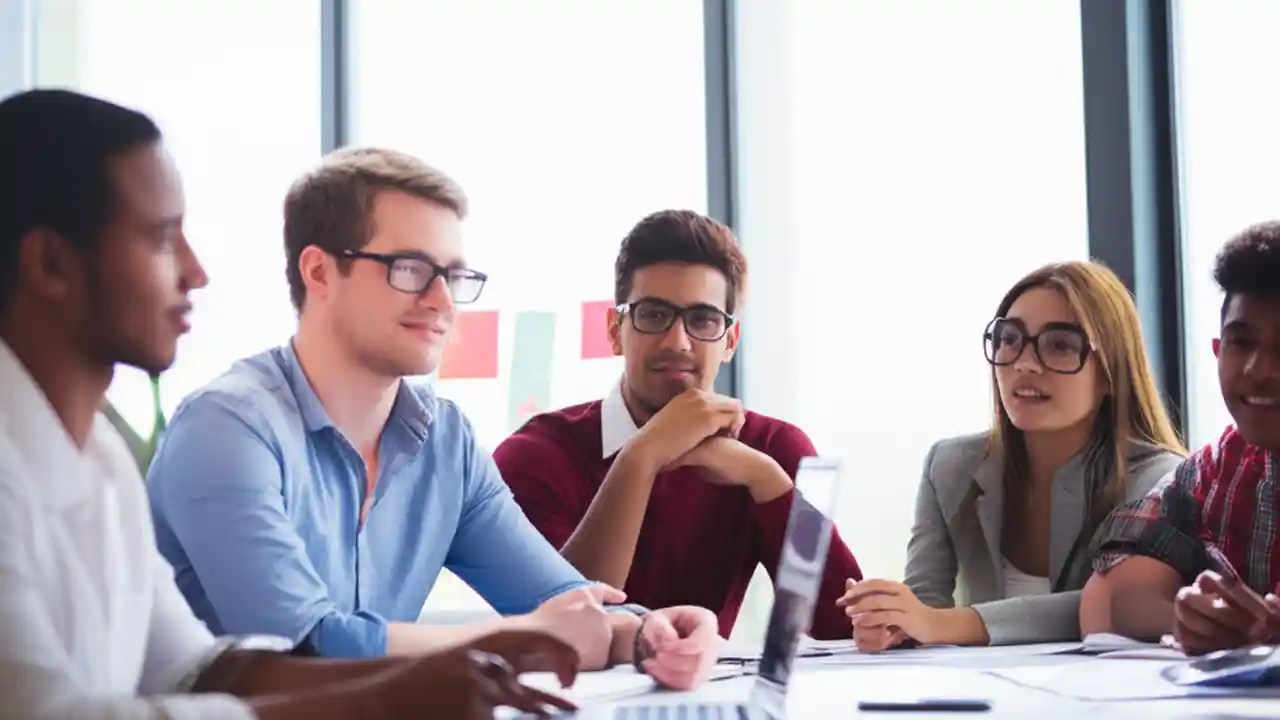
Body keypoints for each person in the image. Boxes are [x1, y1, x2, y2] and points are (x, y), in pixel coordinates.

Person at [0, 88, 580, 720]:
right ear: (50, 263)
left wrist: (634, 629)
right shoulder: (222, 424)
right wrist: (386, 698)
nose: (196, 273)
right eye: (164, 239)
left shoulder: (100, 459)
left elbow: (192, 667)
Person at [146, 147, 721, 689]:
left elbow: (563, 602)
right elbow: (301, 649)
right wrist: (525, 636)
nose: (443, 301)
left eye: (454, 276)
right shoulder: (226, 428)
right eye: (411, 269)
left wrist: (653, 634)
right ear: (319, 272)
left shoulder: (445, 442)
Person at [492, 210, 863, 639]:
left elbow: (848, 627)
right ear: (616, 331)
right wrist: (642, 456)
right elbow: (565, 631)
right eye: (653, 315)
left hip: (706, 696)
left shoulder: (771, 446)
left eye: (703, 320)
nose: (678, 342)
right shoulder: (536, 454)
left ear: (730, 342)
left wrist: (768, 480)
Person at [840, 261, 1186, 650]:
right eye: (1010, 338)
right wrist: (892, 622)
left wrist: (943, 623)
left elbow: (1111, 607)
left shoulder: (1157, 477)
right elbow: (927, 605)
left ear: (1109, 372)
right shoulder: (950, 466)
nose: (1023, 362)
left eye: (1059, 345)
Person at [1080, 222, 1280, 654]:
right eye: (1241, 343)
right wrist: (1196, 619)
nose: (1259, 371)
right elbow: (1109, 598)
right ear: (1217, 351)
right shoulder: (1215, 470)